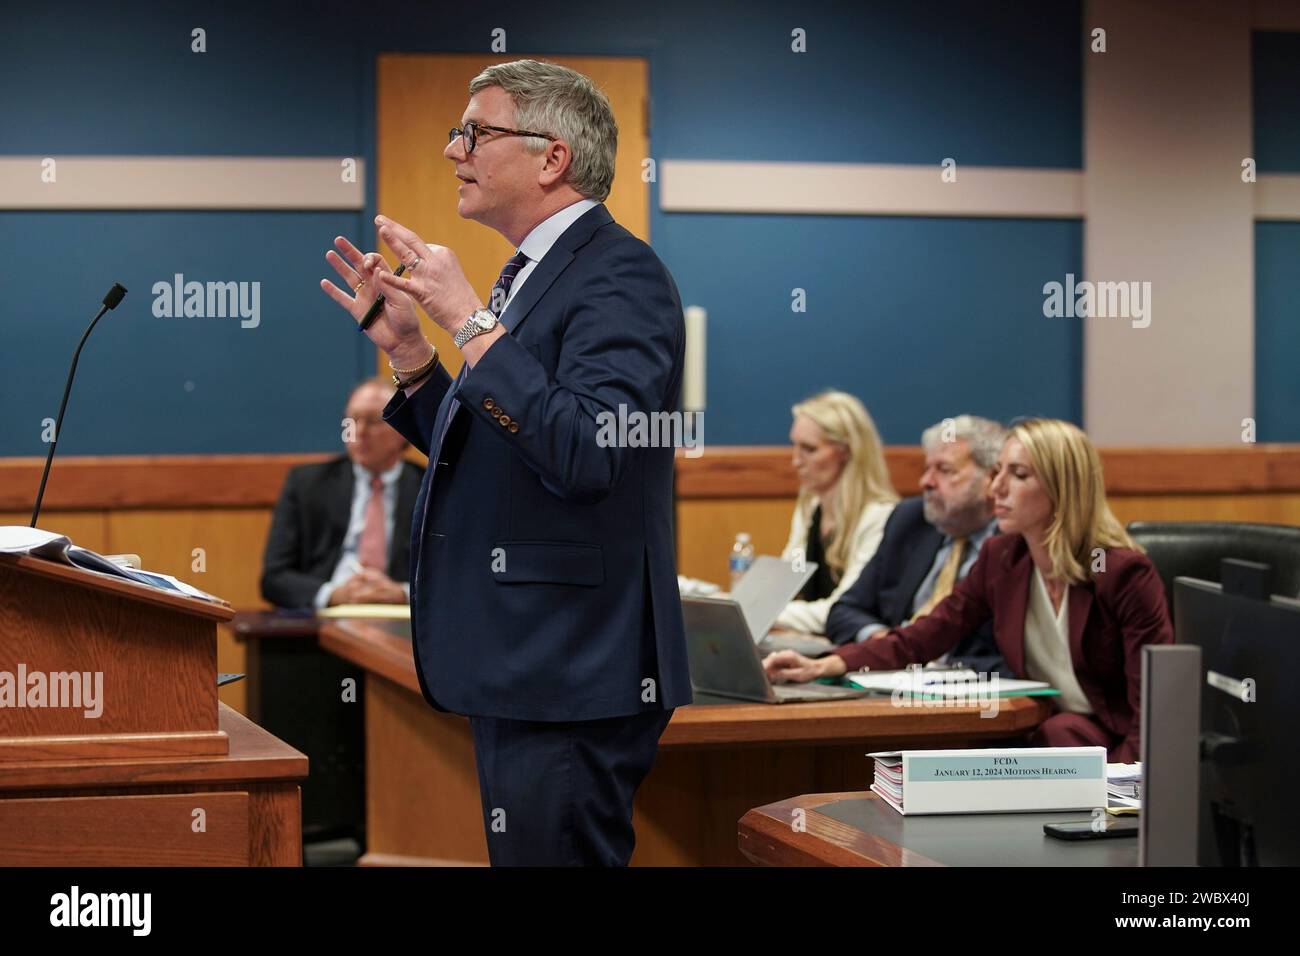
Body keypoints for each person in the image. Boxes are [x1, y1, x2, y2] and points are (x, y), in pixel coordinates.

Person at [319, 59, 690, 865]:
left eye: (475, 133)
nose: (454, 150)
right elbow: (508, 449)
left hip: (570, 663)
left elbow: (590, 450)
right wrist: (416, 357)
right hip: (527, 658)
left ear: (552, 157)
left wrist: (466, 316)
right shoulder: (533, 276)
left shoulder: (620, 273)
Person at [765, 417, 1172, 762]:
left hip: (1108, 748)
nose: (997, 489)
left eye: (1019, 475)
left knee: (1056, 736)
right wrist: (826, 665)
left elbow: (1154, 710)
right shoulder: (1003, 558)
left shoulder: (1121, 572)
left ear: (1062, 488)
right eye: (998, 472)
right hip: (1039, 733)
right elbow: (925, 635)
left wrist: (1120, 790)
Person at [825, 415, 1007, 674]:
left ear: (992, 479)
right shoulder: (910, 522)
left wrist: (929, 662)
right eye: (927, 468)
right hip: (887, 677)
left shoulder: (1011, 548)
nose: (926, 482)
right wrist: (883, 643)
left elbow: (1009, 656)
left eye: (944, 470)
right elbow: (844, 610)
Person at [261, 377, 423, 609]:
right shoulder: (307, 485)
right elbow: (274, 577)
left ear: (404, 429)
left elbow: (452, 574)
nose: (359, 431)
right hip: (324, 620)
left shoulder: (429, 488)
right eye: (353, 419)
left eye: (373, 421)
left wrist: (403, 593)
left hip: (402, 623)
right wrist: (332, 595)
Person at [772, 391, 898, 635]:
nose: (795, 461)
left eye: (809, 449)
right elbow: (782, 586)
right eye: (794, 446)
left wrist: (756, 610)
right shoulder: (810, 507)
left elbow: (841, 611)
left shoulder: (880, 517)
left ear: (846, 452)